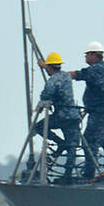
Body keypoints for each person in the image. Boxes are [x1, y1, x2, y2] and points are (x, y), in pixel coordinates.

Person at [70, 41, 104, 180]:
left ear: (94, 55)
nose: (85, 57)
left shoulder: (94, 70)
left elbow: (79, 75)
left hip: (97, 113)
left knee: (89, 142)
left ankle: (89, 173)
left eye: (87, 54)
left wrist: (60, 74)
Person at [35, 52, 81, 182]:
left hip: (62, 116)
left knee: (38, 127)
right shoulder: (66, 76)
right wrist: (44, 65)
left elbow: (46, 95)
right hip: (74, 116)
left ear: (50, 68)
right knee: (72, 146)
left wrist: (43, 103)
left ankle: (60, 143)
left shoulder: (53, 80)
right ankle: (68, 174)